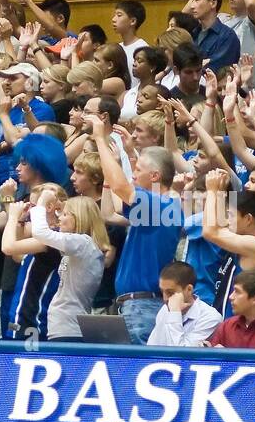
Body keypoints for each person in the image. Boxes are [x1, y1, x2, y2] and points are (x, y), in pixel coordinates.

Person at [92, 115, 182, 344]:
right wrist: (117, 161)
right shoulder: (157, 208)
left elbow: (121, 187)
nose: (134, 175)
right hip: (134, 305)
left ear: (154, 176)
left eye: (138, 170)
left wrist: (100, 140)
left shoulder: (160, 205)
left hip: (142, 307)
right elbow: (111, 211)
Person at [27, 185, 110, 342]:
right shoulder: (84, 245)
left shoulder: (82, 243)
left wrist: (42, 202)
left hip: (68, 330)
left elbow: (40, 233)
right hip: (67, 327)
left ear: (79, 218)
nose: (60, 218)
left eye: (65, 214)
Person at [148, 260, 224, 347]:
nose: (165, 298)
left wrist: (175, 313)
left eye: (170, 293)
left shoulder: (211, 318)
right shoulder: (165, 310)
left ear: (189, 289)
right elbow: (152, 348)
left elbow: (181, 355)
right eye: (162, 292)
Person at [207, 269, 255, 349]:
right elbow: (211, 359)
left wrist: (228, 357)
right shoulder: (227, 325)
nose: (230, 297)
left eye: (237, 292)